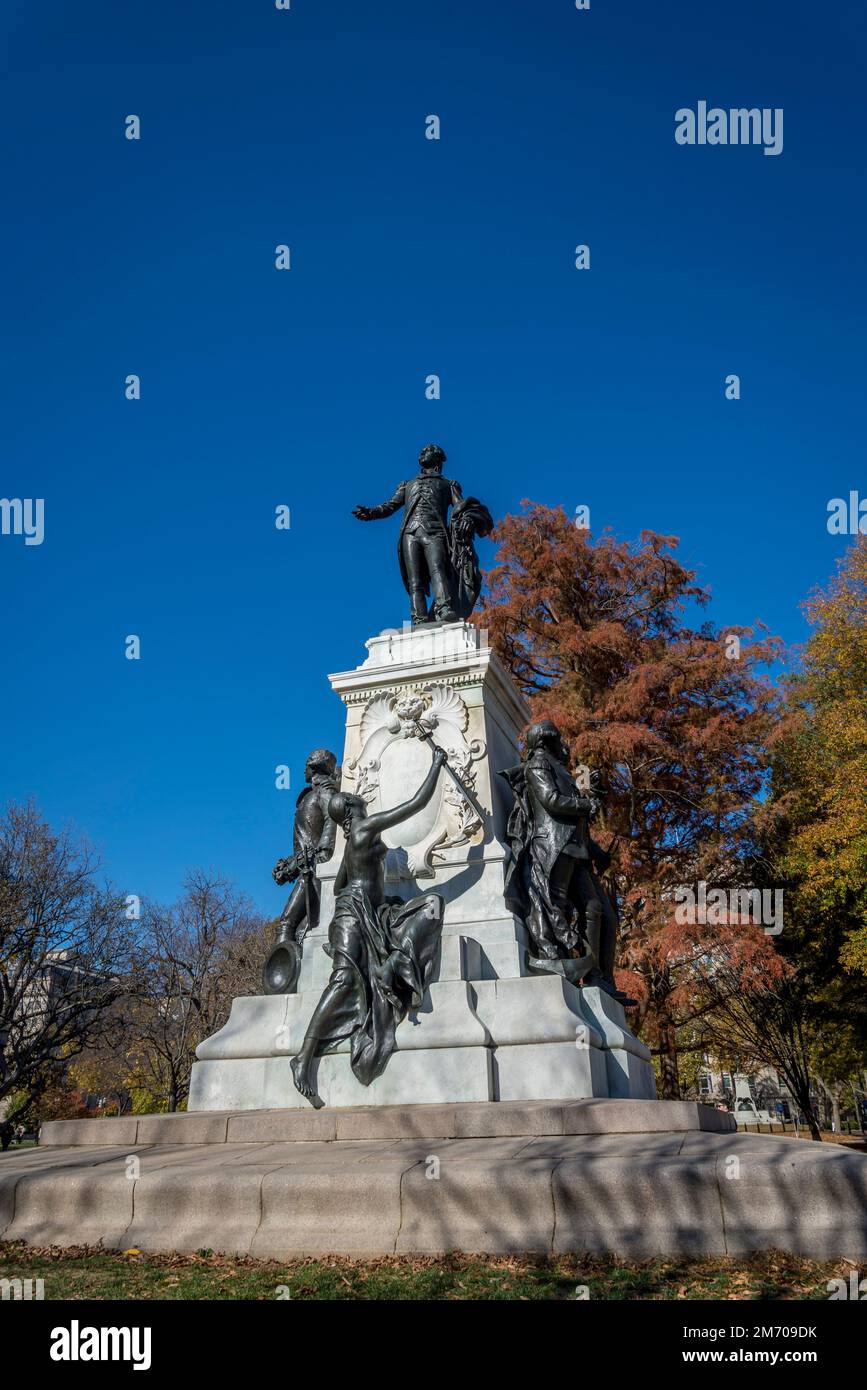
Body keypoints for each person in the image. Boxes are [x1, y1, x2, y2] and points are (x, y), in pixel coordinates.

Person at [291, 746, 448, 1101]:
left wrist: (366, 911)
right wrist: (436, 764)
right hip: (352, 916)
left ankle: (391, 963)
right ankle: (303, 1055)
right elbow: (414, 804)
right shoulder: (363, 830)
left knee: (430, 906)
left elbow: (340, 883)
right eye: (354, 800)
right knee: (344, 979)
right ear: (351, 812)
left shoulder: (355, 839)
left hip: (368, 913)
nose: (361, 799)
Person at [353, 444, 486, 625]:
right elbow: (390, 506)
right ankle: (419, 618)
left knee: (437, 569)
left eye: (427, 450)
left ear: (438, 458)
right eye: (422, 451)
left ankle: (443, 608)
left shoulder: (448, 485)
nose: (422, 452)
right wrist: (371, 513)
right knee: (415, 580)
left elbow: (460, 507)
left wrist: (468, 519)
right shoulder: (407, 485)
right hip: (410, 533)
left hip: (435, 533)